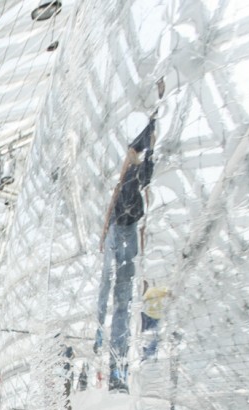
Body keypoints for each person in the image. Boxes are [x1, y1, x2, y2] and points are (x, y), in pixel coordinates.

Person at [95, 113, 158, 392]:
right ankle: (100, 336)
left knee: (120, 295)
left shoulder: (143, 169)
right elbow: (119, 189)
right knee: (109, 287)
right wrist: (104, 229)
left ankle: (117, 367)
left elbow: (146, 201)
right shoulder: (132, 166)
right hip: (119, 229)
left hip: (129, 229)